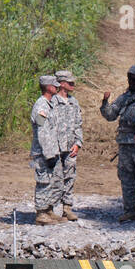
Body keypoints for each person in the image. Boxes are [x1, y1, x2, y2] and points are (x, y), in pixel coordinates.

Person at [100, 64, 135, 222]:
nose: (131, 81)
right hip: (124, 145)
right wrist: (105, 102)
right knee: (126, 178)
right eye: (130, 78)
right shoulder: (124, 97)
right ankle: (131, 210)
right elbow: (110, 115)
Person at [50, 70, 83, 221]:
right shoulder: (51, 102)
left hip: (70, 147)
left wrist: (78, 143)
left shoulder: (74, 102)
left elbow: (78, 124)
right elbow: (43, 125)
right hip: (55, 147)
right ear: (62, 84)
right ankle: (49, 209)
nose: (73, 85)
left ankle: (67, 208)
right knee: (54, 177)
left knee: (70, 176)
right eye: (70, 83)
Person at [30, 75, 62, 225]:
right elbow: (41, 131)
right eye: (54, 86)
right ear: (48, 87)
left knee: (52, 181)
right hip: (43, 152)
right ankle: (41, 213)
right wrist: (48, 154)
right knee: (43, 181)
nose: (57, 88)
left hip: (50, 151)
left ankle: (48, 209)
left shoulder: (49, 104)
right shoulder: (41, 106)